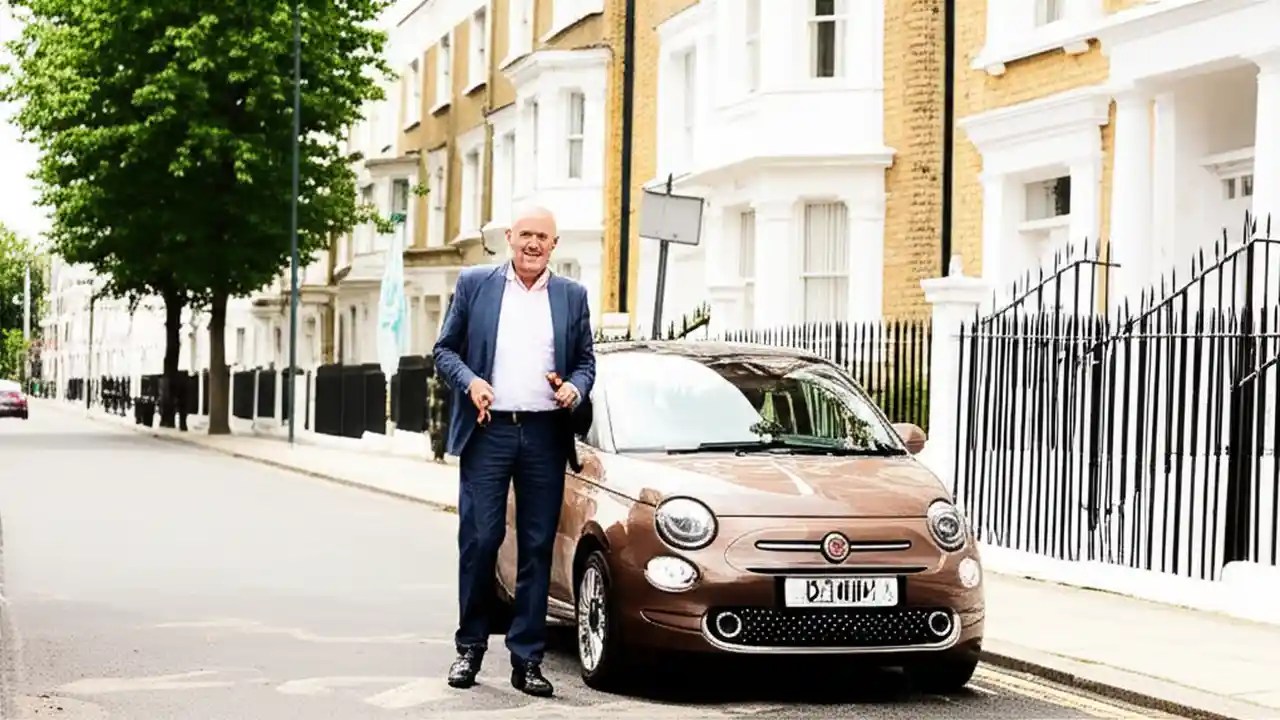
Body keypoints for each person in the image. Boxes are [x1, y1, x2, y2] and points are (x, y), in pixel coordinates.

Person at [433, 206, 595, 698]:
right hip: (489, 432)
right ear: (509, 237)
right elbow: (444, 351)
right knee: (481, 541)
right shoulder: (475, 284)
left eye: (542, 237)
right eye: (525, 234)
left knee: (537, 545)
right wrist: (472, 382)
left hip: (545, 434)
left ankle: (527, 660)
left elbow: (586, 362)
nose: (532, 243)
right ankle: (471, 647)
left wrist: (574, 389)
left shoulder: (572, 295)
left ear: (554, 245)